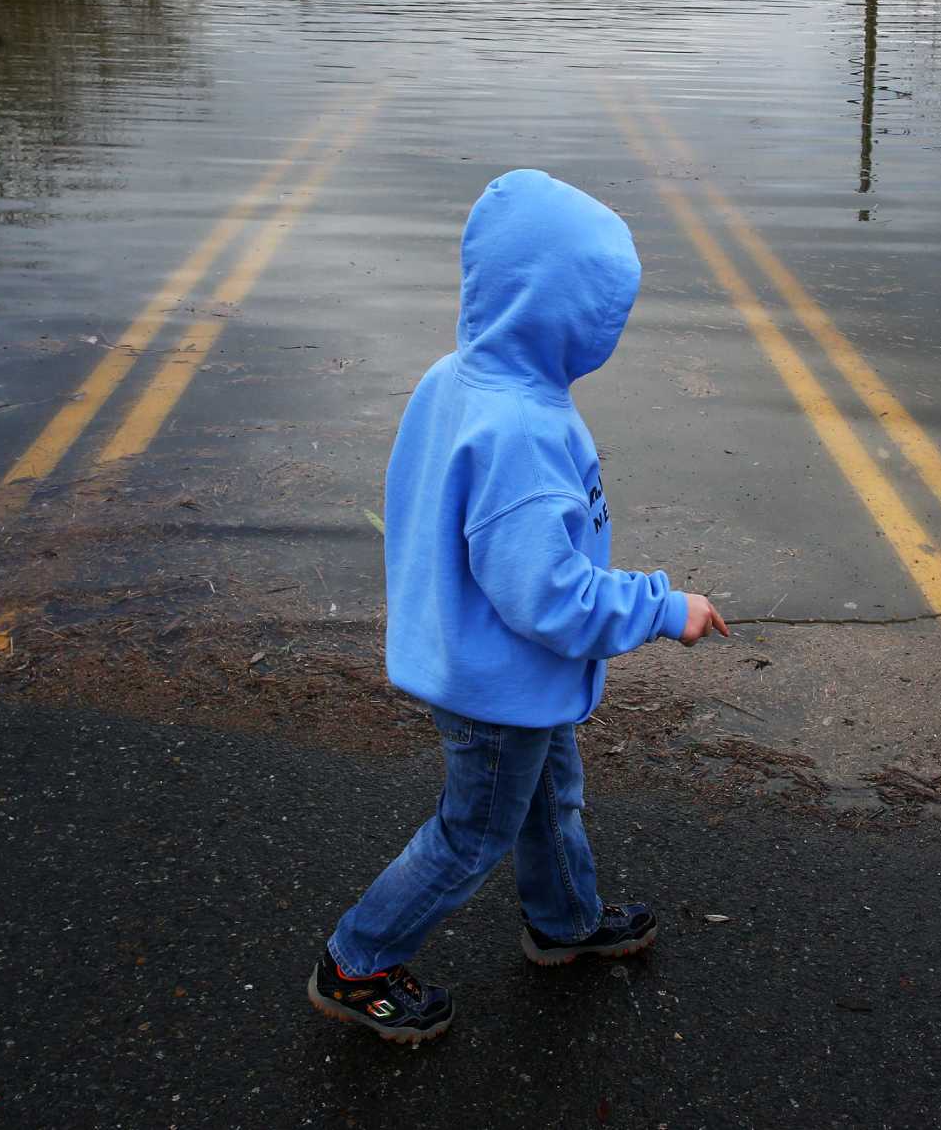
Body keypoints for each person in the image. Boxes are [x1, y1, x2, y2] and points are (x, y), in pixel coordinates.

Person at [307, 169, 729, 1044]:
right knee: (471, 831)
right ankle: (356, 961)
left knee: (549, 795)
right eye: (601, 309)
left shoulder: (459, 376)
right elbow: (550, 598)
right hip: (494, 679)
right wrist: (660, 606)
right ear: (560, 314)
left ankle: (565, 920)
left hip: (488, 660)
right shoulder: (523, 434)